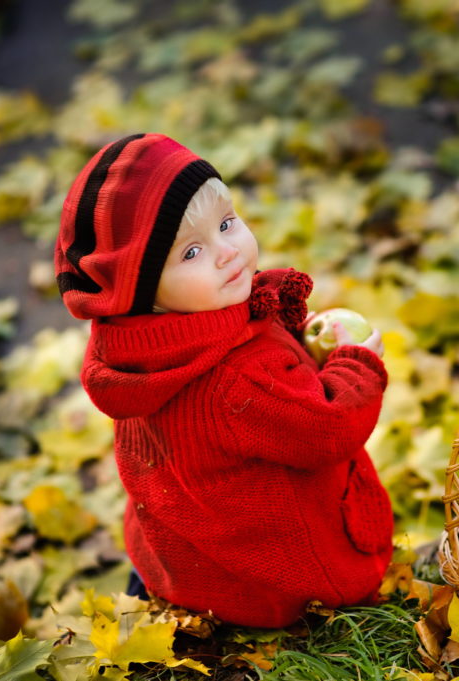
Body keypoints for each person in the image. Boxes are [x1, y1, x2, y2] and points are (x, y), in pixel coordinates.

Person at [54, 133, 394, 628]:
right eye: (190, 253)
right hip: (275, 589)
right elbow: (329, 426)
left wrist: (297, 339)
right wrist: (354, 363)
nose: (226, 252)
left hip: (191, 564)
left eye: (227, 223)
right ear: (141, 292)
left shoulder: (141, 356)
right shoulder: (237, 377)